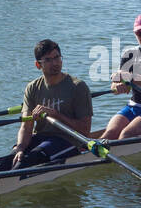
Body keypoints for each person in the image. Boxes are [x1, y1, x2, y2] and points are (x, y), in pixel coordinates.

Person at [11, 39, 93, 169]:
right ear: (38, 65)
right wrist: (20, 148)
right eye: (48, 60)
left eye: (57, 58)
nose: (55, 63)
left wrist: (56, 115)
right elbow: (26, 127)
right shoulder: (32, 88)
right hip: (41, 138)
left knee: (27, 161)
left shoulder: (78, 87)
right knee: (13, 157)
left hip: (68, 140)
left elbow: (85, 130)